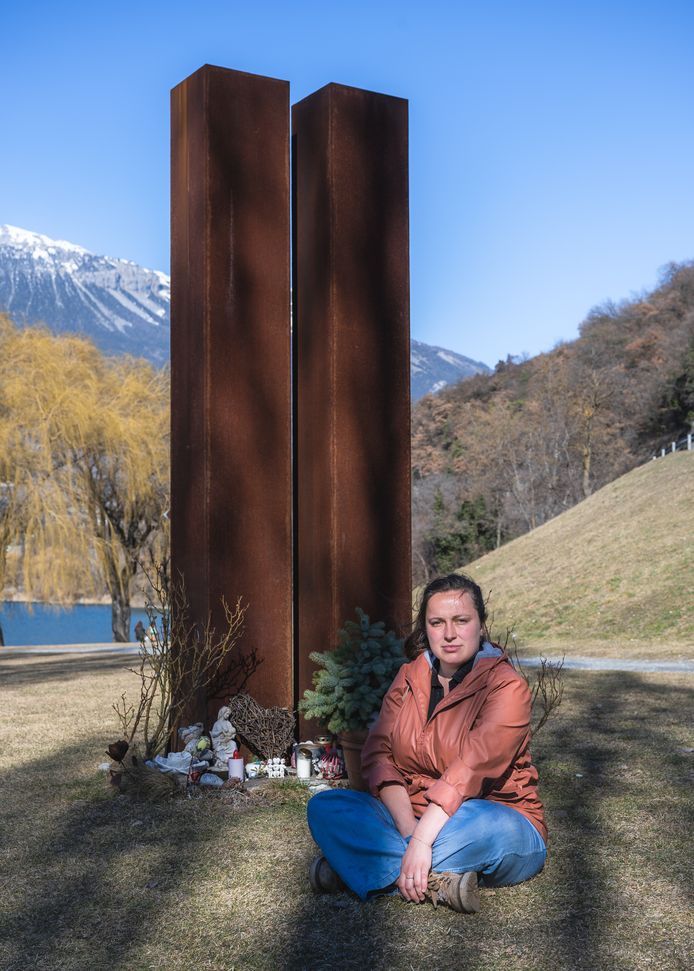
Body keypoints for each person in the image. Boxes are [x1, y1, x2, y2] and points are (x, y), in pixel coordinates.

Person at [306, 573, 547, 914]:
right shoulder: (409, 676)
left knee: (472, 827)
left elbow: (471, 767)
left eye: (461, 621)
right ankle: (433, 879)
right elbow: (378, 754)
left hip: (492, 817)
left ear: (481, 625)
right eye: (437, 623)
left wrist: (423, 840)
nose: (449, 634)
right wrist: (411, 833)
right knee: (326, 808)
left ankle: (352, 872)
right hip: (413, 817)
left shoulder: (506, 687)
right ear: (425, 628)